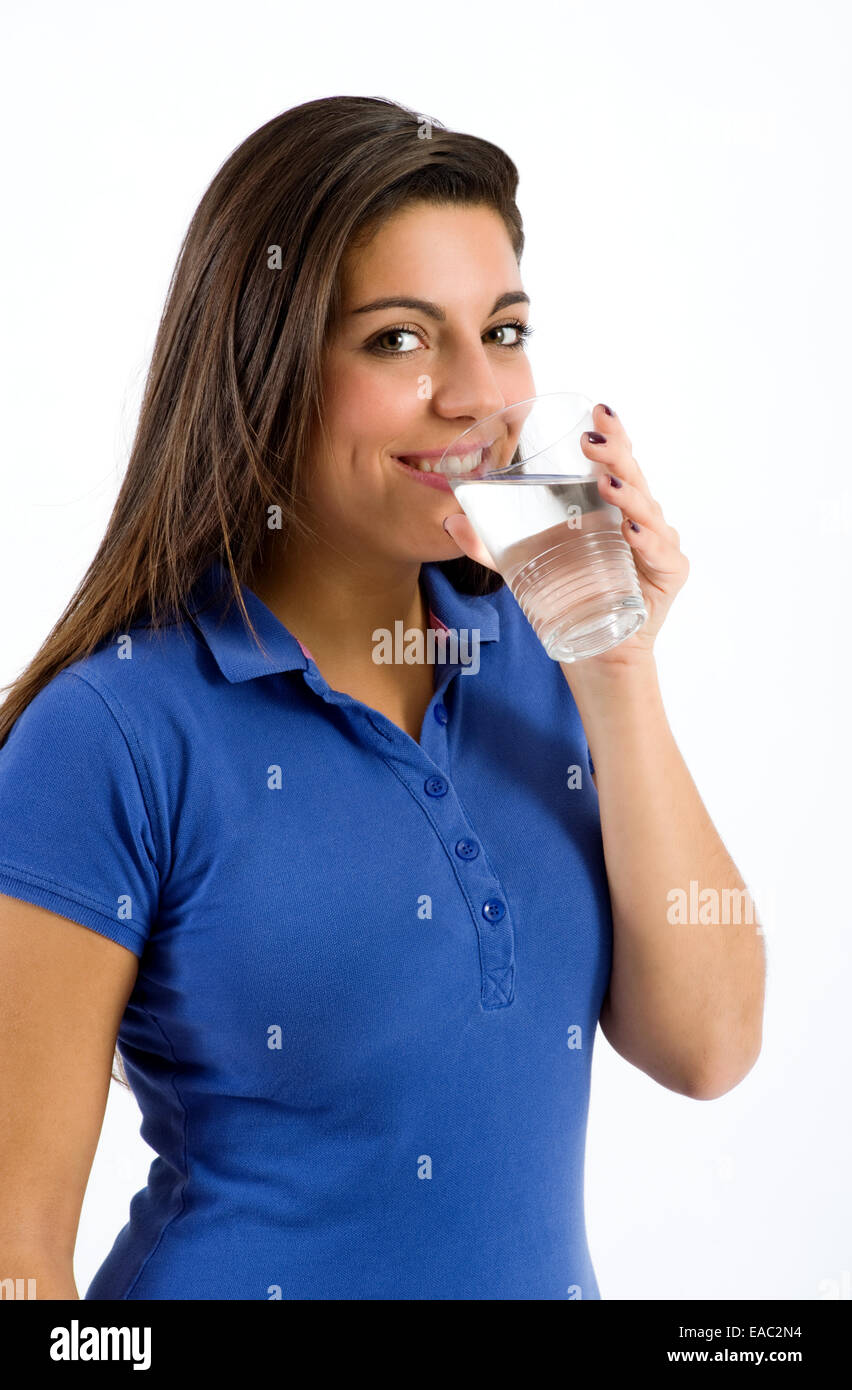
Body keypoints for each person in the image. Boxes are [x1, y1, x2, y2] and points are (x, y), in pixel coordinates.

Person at [0, 95, 765, 1301]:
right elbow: (15, 1256)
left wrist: (616, 666)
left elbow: (711, 1048)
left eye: (502, 330)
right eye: (400, 341)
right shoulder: (113, 734)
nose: (472, 395)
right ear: (265, 365)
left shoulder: (542, 652)